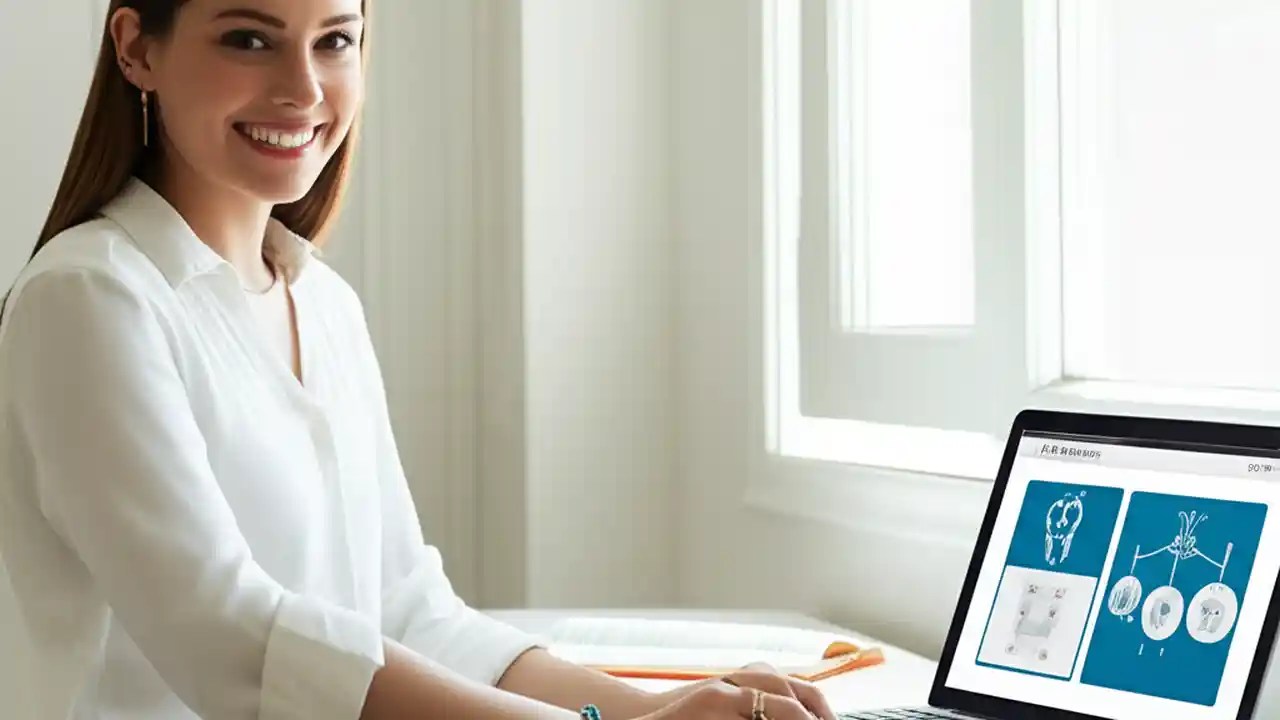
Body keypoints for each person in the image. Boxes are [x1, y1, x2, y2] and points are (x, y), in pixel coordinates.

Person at [0, 2, 839, 719]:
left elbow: (410, 611)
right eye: (249, 39)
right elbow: (223, 635)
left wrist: (648, 703)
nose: (303, 87)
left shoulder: (323, 305)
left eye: (335, 39)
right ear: (136, 48)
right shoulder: (87, 298)